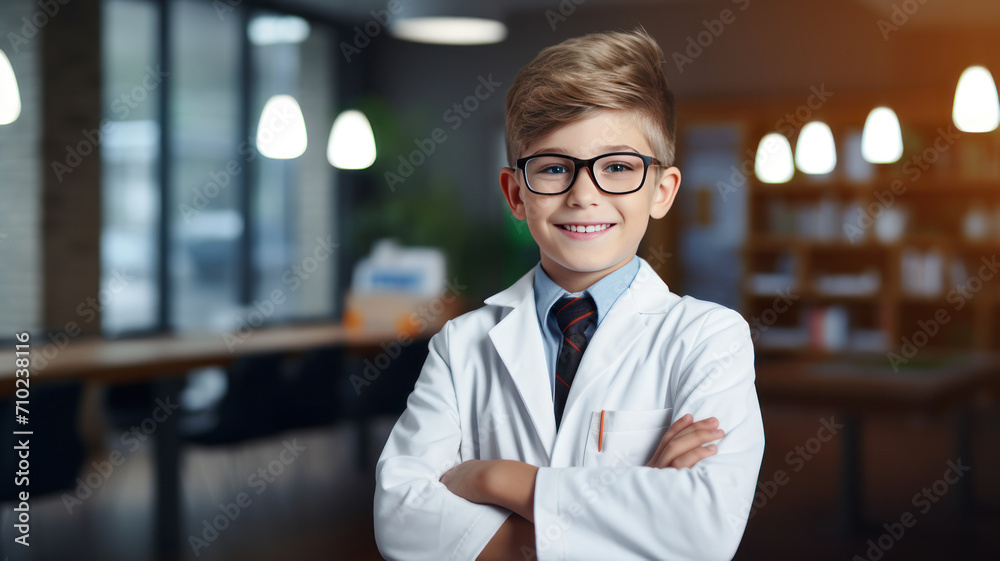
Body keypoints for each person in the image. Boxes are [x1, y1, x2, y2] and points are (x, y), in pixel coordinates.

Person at [373, 28, 764, 561]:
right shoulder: (460, 345)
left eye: (618, 167)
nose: (584, 194)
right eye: (554, 168)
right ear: (516, 193)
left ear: (662, 191)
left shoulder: (709, 338)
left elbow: (703, 532)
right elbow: (399, 521)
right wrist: (634, 509)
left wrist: (494, 478)